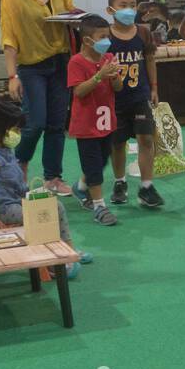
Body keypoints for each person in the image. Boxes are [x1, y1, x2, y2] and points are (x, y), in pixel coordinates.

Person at [0, 100, 91, 278]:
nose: (18, 133)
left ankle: (68, 250)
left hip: (20, 201)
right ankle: (51, 262)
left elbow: (19, 185)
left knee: (56, 206)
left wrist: (38, 195)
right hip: (5, 208)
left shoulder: (8, 151)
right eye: (15, 129)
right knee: (39, 216)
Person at [0, 0, 77, 194]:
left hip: (61, 62)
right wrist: (12, 75)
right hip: (32, 67)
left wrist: (76, 19)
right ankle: (18, 163)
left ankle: (53, 177)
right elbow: (8, 39)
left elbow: (71, 11)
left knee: (56, 123)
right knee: (35, 122)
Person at [105, 0, 163, 208]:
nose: (128, 10)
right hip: (115, 100)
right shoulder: (105, 36)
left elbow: (149, 60)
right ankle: (120, 182)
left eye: (132, 5)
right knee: (117, 143)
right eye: (123, 5)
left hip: (140, 96)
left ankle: (147, 186)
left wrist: (154, 88)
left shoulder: (143, 33)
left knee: (146, 140)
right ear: (111, 9)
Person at [68, 15, 123, 226]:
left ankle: (81, 187)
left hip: (106, 122)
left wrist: (115, 76)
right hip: (86, 125)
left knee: (102, 161)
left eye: (107, 37)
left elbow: (118, 88)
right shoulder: (76, 62)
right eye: (102, 37)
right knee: (93, 165)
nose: (106, 41)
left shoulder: (108, 57)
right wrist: (99, 76)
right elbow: (79, 91)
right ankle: (100, 206)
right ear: (87, 40)